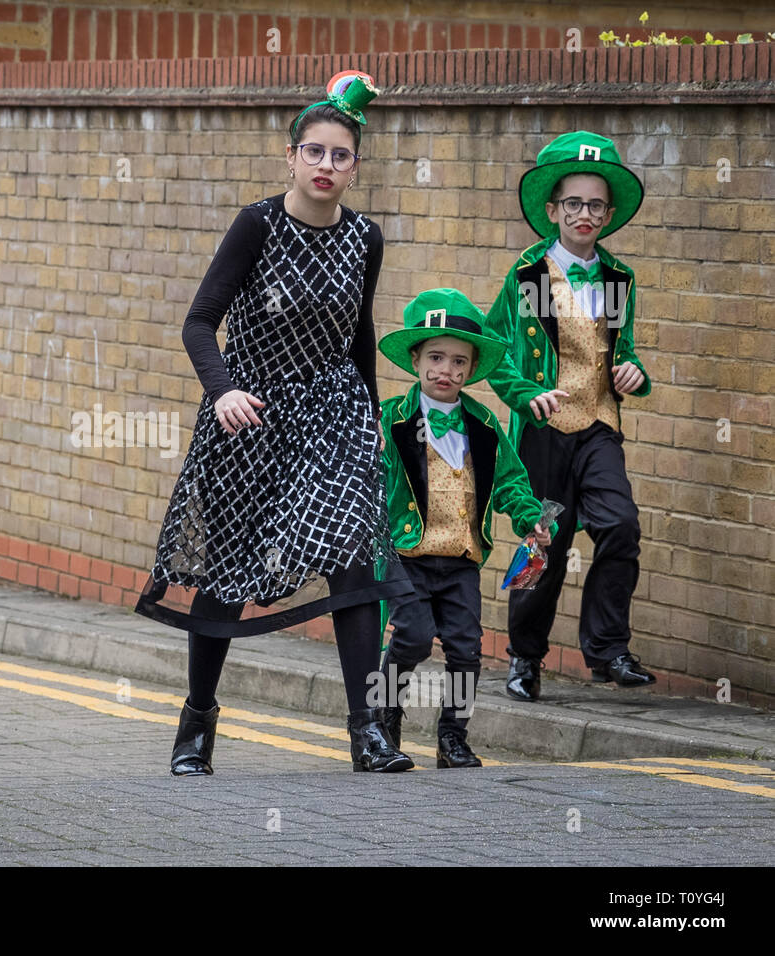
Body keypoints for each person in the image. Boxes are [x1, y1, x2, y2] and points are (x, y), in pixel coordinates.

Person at [135, 72, 415, 775]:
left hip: (333, 417)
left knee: (354, 562)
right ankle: (196, 723)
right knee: (227, 572)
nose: (326, 166)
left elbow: (359, 333)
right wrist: (224, 390)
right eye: (314, 153)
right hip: (249, 416)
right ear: (290, 157)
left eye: (340, 155)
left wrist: (373, 414)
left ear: (356, 165)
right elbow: (200, 323)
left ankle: (366, 733)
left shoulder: (365, 239)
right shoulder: (256, 225)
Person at [482, 131, 655, 701]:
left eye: (596, 205)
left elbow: (618, 349)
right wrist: (523, 392)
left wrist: (634, 372)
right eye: (574, 204)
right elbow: (494, 349)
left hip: (599, 424)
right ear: (552, 210)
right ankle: (524, 659)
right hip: (544, 430)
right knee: (542, 542)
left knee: (621, 525)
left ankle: (608, 651)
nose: (585, 214)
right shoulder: (529, 276)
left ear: (609, 214)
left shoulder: (616, 278)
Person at [375, 289, 556, 768]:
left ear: (471, 368)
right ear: (415, 359)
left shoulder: (485, 424)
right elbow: (370, 484)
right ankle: (385, 719)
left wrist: (530, 517)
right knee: (410, 637)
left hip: (460, 560)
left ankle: (452, 737)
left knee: (466, 650)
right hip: (406, 556)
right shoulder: (389, 420)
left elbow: (511, 482)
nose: (446, 371)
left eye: (459, 361)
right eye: (435, 357)